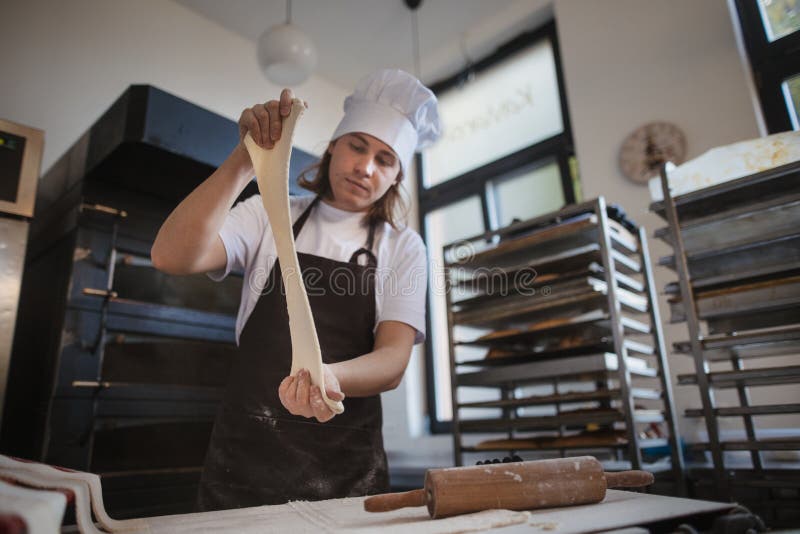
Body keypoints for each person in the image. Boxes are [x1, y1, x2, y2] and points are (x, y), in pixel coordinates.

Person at [150, 69, 441, 511]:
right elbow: (172, 256)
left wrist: (328, 378)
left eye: (385, 159)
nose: (365, 167)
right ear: (332, 148)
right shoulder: (271, 212)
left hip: (346, 467)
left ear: (396, 177)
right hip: (246, 457)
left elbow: (393, 361)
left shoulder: (401, 246)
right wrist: (246, 160)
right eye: (357, 146)